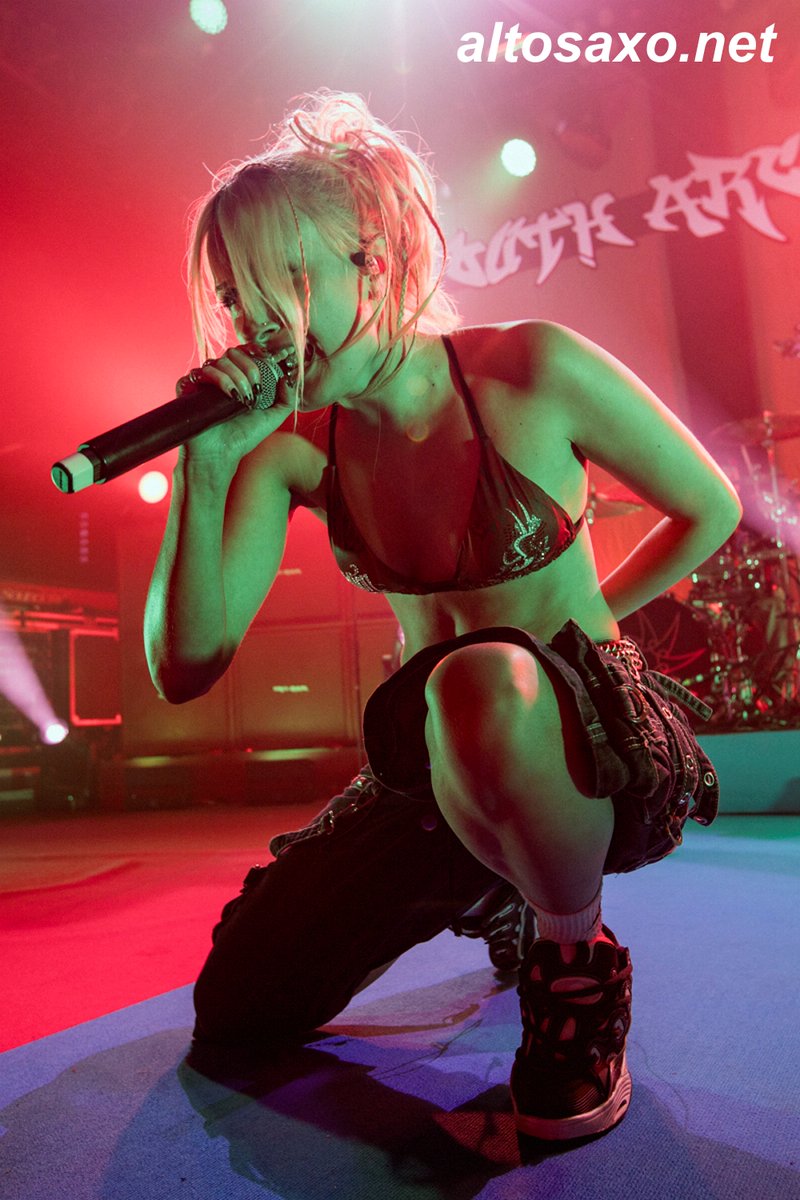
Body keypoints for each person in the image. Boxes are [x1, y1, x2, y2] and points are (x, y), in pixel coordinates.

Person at [144, 90, 741, 1146]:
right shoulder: (293, 450)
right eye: (235, 299)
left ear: (372, 266)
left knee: (482, 674)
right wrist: (204, 467)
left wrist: (596, 625)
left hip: (595, 746)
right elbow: (186, 665)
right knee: (240, 1004)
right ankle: (497, 877)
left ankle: (574, 965)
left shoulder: (530, 368)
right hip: (434, 766)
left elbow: (709, 507)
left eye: (286, 283)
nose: (257, 327)